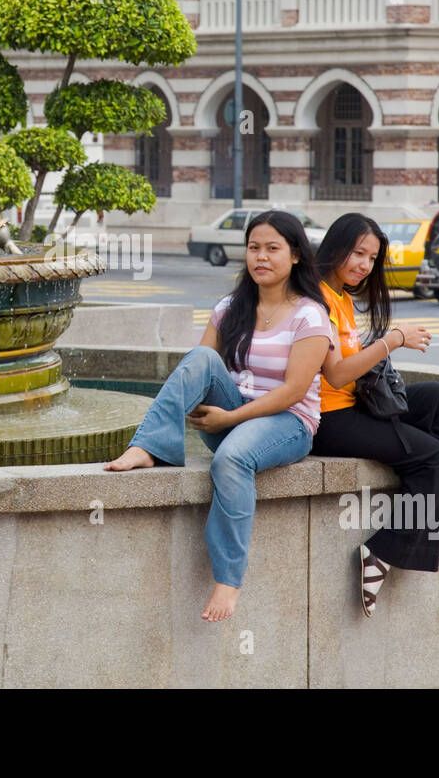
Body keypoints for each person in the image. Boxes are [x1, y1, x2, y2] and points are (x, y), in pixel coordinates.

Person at [104, 210, 334, 622]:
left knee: (231, 459)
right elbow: (203, 366)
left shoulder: (310, 315)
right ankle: (147, 446)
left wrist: (228, 420)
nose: (260, 257)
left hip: (287, 423)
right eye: (253, 248)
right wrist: (200, 404)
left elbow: (294, 391)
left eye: (272, 249)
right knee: (200, 357)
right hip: (229, 417)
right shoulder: (230, 307)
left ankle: (228, 580)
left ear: (296, 255)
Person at [311, 212, 439, 618]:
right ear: (335, 246)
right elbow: (334, 373)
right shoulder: (316, 298)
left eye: (371, 258)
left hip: (353, 403)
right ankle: (380, 552)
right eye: (357, 253)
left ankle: (430, 522)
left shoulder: (342, 296)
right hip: (329, 420)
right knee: (434, 455)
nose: (363, 265)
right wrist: (393, 340)